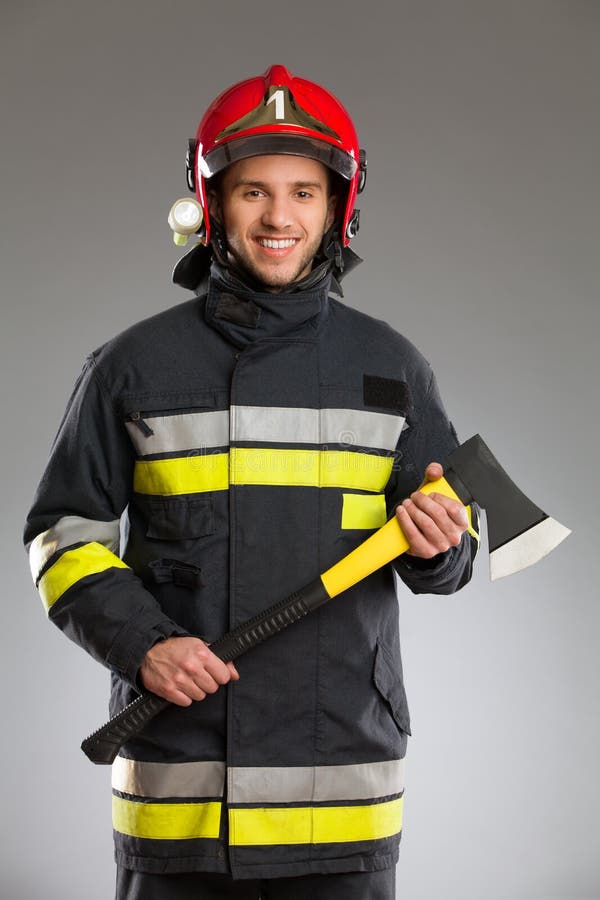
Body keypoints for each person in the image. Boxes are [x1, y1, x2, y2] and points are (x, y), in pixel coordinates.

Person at [24, 65, 479, 900]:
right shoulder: (131, 366)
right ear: (209, 203)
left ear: (338, 207)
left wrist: (442, 545)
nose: (279, 217)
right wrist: (143, 643)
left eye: (304, 192)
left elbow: (452, 545)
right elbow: (64, 538)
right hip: (182, 789)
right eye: (252, 191)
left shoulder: (390, 367)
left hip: (340, 790)